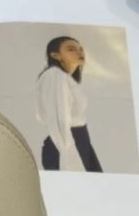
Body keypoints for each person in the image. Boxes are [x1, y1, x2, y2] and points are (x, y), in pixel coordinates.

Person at [35, 36, 102, 172]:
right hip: (68, 144)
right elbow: (59, 120)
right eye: (71, 49)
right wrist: (70, 157)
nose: (79, 52)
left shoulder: (64, 78)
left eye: (81, 49)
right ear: (55, 55)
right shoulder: (54, 75)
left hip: (80, 141)